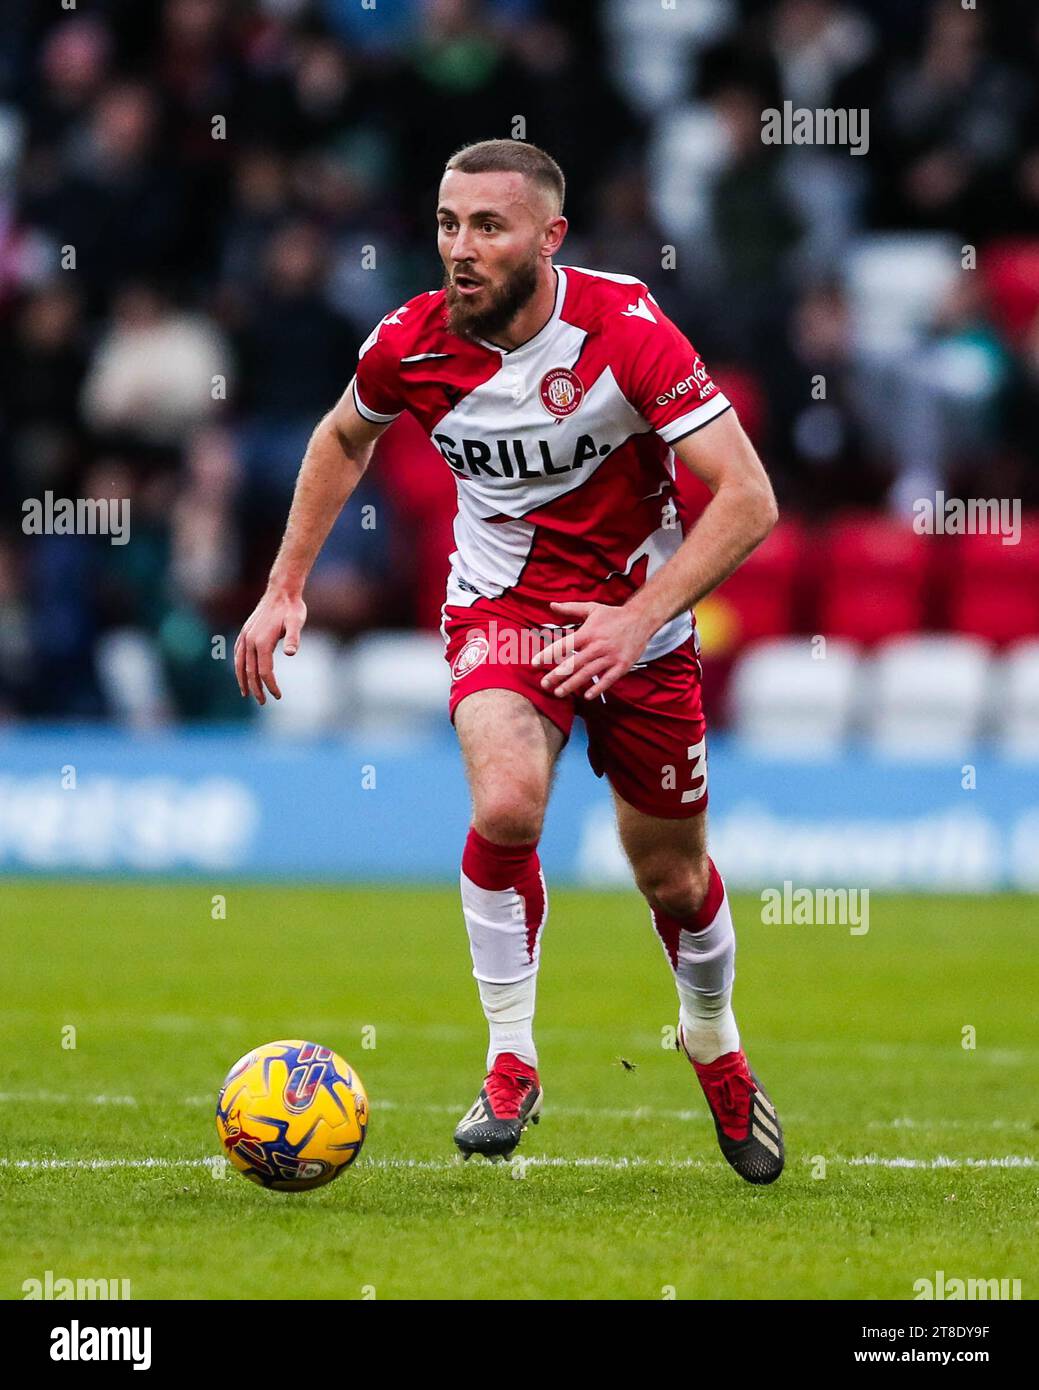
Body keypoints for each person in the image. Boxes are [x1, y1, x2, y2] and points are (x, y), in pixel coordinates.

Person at [235, 139, 784, 1185]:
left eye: (487, 227)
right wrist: (284, 583)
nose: (460, 249)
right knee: (506, 806)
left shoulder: (624, 332)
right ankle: (510, 1057)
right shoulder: (411, 340)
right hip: (504, 610)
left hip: (642, 621)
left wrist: (636, 618)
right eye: (448, 224)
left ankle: (711, 1039)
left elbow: (749, 498)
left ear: (548, 237)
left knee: (670, 877)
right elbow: (343, 437)